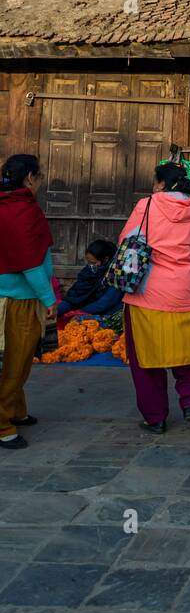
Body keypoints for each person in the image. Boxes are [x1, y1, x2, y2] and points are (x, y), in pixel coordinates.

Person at [120, 162, 190, 432]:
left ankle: (155, 417)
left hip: (147, 294)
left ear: (161, 183)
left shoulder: (146, 205)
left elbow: (126, 240)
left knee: (146, 360)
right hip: (187, 294)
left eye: (155, 182)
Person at [0, 154, 55, 450]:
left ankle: (16, 409)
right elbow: (29, 261)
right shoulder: (21, 209)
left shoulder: (8, 205)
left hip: (8, 294)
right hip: (18, 298)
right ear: (30, 178)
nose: (41, 182)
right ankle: (2, 424)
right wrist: (48, 298)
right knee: (14, 362)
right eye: (40, 176)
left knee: (15, 359)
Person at [57, 238, 123, 323]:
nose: (91, 265)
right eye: (89, 262)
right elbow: (74, 294)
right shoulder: (88, 272)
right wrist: (60, 309)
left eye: (93, 263)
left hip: (106, 313)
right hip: (86, 309)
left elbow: (104, 303)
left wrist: (80, 313)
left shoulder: (115, 275)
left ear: (106, 259)